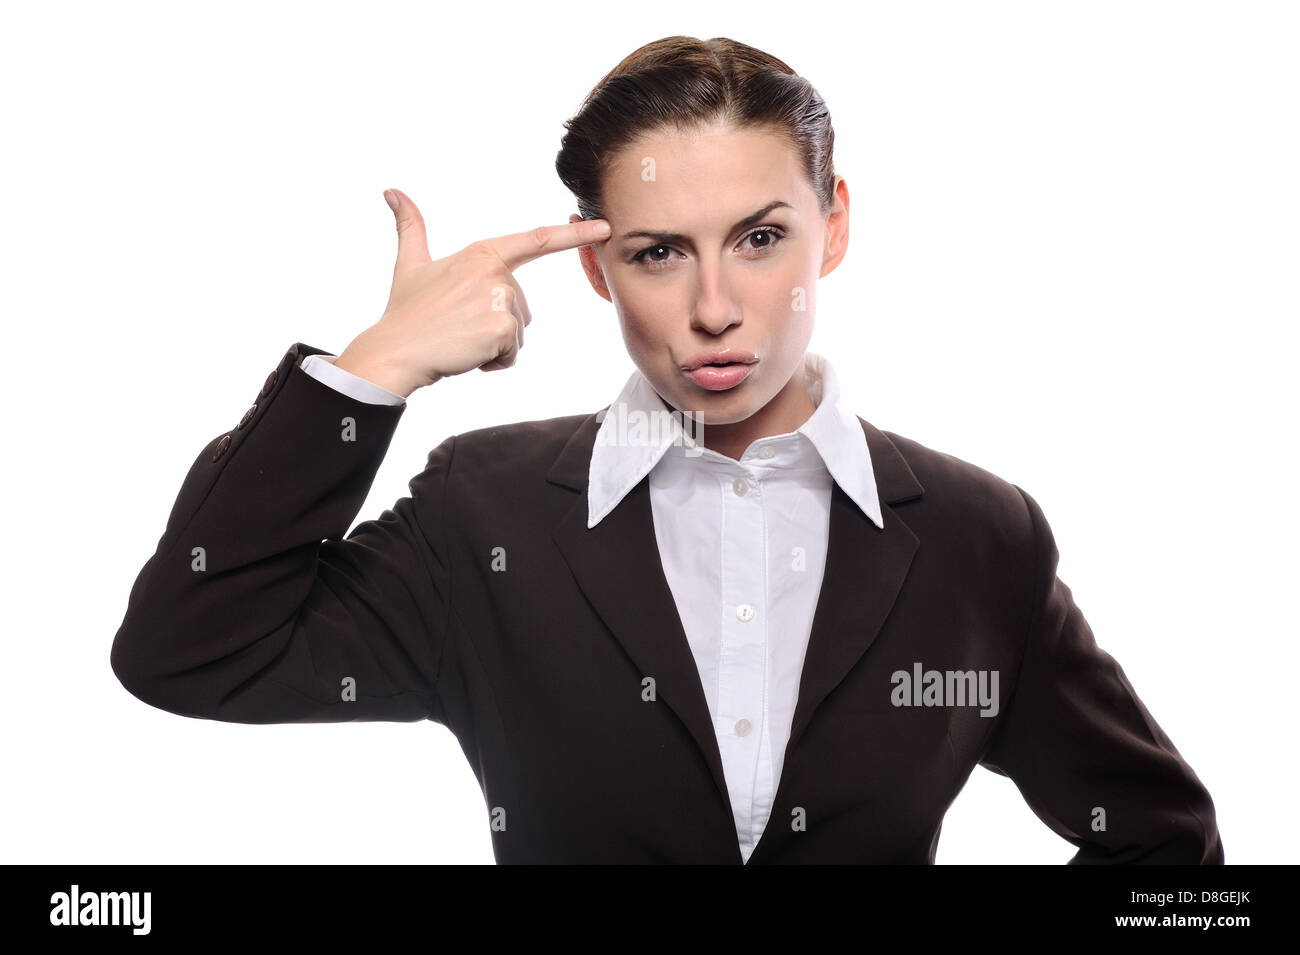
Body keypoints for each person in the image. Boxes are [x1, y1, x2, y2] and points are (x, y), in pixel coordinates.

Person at [110, 35, 1223, 864]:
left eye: (759, 238)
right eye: (655, 252)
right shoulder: (485, 516)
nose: (714, 306)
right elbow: (191, 651)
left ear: (833, 224)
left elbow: (1167, 852)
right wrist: (375, 369)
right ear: (596, 271)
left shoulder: (978, 535)